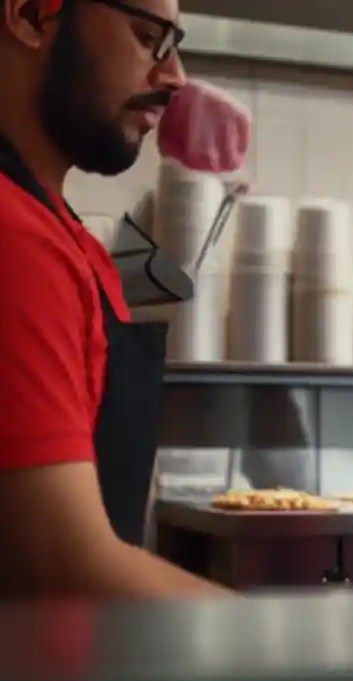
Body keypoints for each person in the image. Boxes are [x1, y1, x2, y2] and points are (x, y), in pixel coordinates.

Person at [0, 0, 228, 597]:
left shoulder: (70, 241)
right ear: (28, 15)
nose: (175, 76)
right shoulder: (13, 238)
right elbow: (67, 565)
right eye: (147, 36)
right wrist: (302, 643)